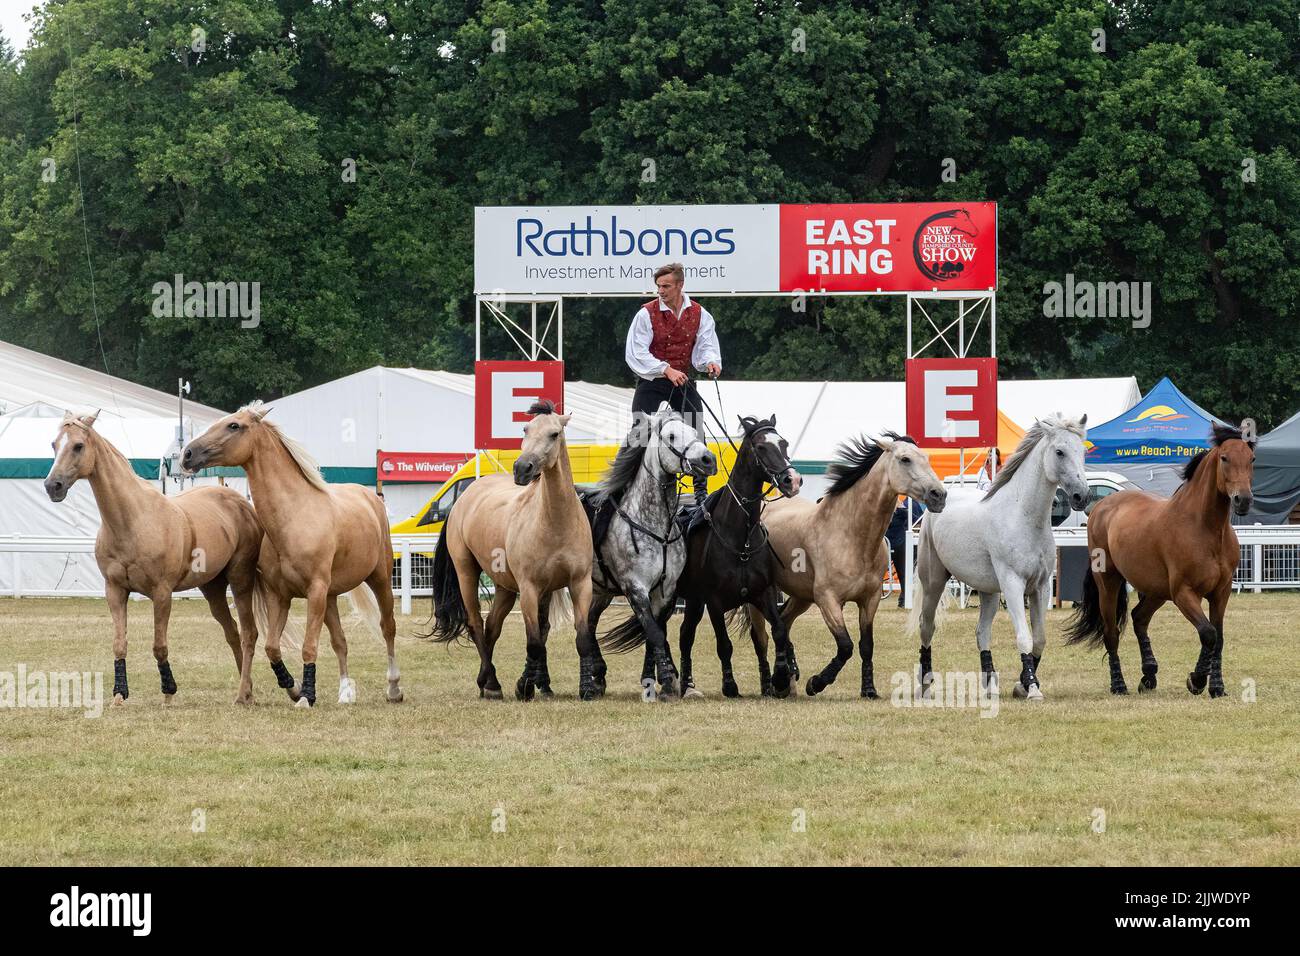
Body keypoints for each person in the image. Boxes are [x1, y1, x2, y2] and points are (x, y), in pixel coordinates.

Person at [625, 262, 722, 504]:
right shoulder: (645, 314)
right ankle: (627, 484)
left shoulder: (700, 314)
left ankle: (700, 491)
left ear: (680, 285)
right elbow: (636, 353)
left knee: (696, 428)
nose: (660, 291)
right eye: (658, 286)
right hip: (652, 382)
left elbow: (705, 348)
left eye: (666, 286)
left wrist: (710, 363)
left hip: (682, 381)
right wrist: (665, 369)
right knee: (640, 430)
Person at [886, 497, 926, 608]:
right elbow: (917, 521)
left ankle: (903, 599)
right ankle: (904, 599)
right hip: (900, 545)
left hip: (886, 544)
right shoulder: (903, 511)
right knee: (904, 574)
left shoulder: (885, 512)